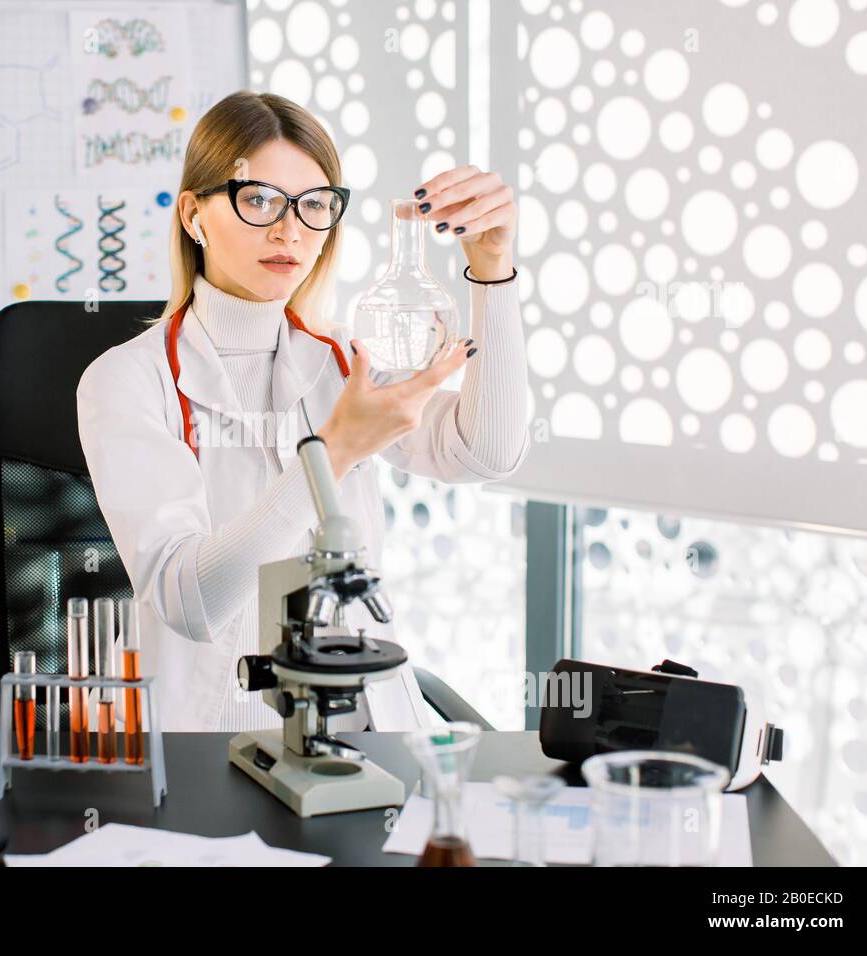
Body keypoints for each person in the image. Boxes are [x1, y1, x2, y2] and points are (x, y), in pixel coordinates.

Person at [76, 91, 529, 732]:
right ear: (194, 214)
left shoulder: (343, 357)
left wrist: (491, 268)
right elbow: (191, 602)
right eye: (258, 199)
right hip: (218, 742)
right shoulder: (127, 381)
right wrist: (335, 451)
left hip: (371, 729)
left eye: (313, 205)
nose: (289, 229)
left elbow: (487, 452)